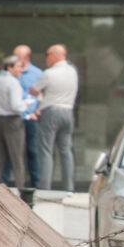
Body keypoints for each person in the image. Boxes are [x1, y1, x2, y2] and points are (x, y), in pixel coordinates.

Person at [30, 44, 79, 191]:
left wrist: (40, 97)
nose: (46, 58)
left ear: (55, 55)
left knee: (46, 150)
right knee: (66, 150)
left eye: (47, 55)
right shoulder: (73, 71)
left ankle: (44, 187)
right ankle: (69, 187)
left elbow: (33, 90)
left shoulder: (49, 73)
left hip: (51, 112)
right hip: (68, 112)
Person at [0, 54, 31, 192]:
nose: (21, 70)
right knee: (17, 157)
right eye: (19, 67)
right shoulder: (13, 83)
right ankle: (22, 190)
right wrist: (26, 104)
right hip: (13, 122)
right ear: (9, 67)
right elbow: (16, 105)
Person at [2, 44, 42, 190]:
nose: (15, 60)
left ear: (27, 58)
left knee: (32, 151)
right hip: (13, 117)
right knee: (9, 152)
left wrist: (39, 109)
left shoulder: (37, 73)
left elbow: (44, 94)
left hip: (30, 118)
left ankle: (35, 185)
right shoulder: (8, 76)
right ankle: (4, 184)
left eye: (19, 57)